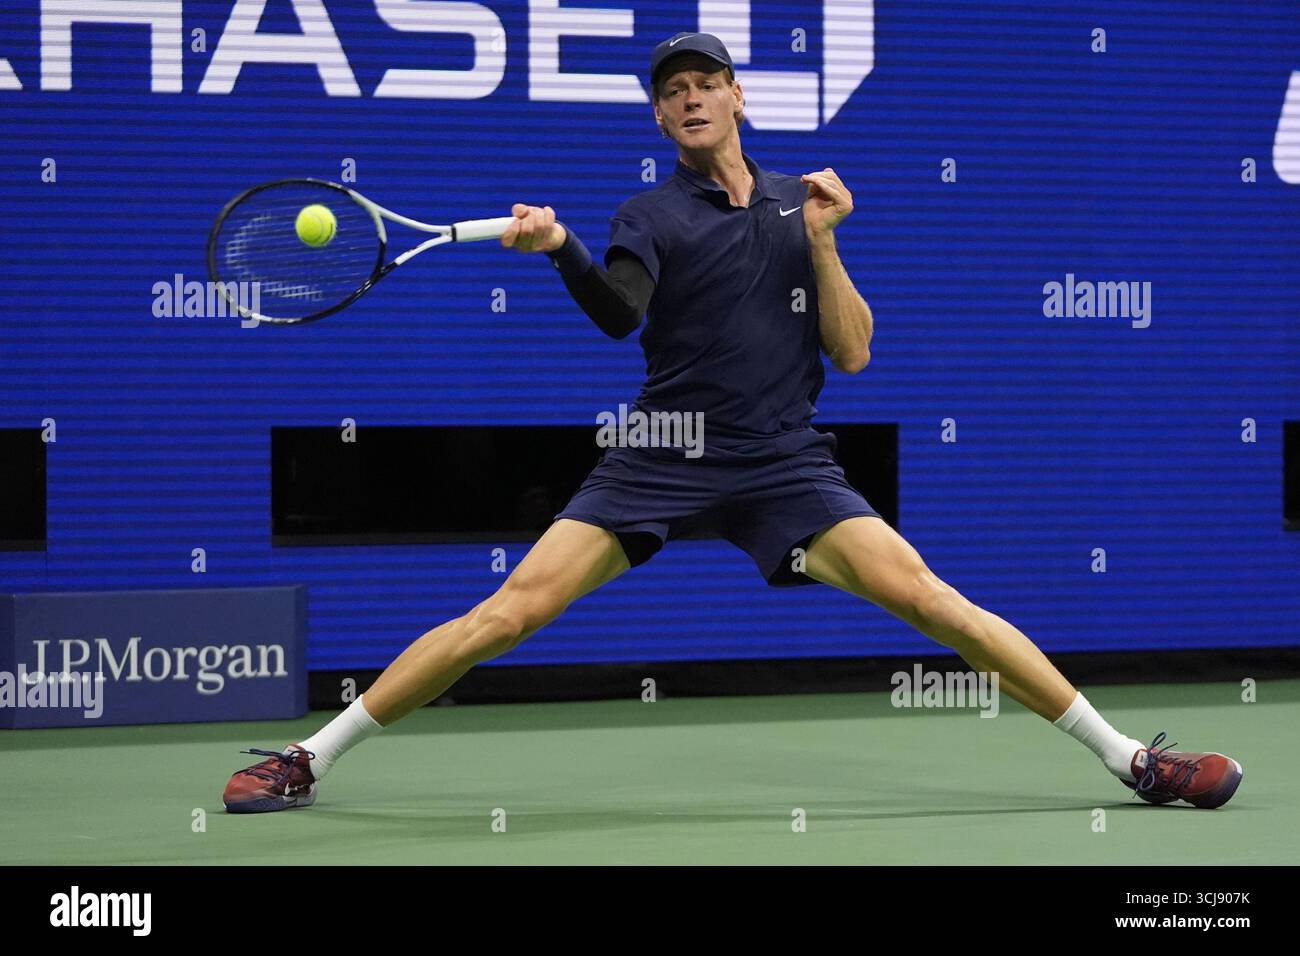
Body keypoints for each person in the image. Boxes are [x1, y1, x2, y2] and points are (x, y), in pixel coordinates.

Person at [223, 32, 1242, 814]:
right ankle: (307, 757)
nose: (690, 97)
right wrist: (565, 246)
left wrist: (824, 244)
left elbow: (851, 353)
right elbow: (622, 313)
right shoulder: (648, 216)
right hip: (662, 454)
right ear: (663, 122)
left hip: (785, 462)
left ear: (736, 96)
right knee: (508, 615)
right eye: (672, 92)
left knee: (933, 600)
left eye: (704, 82)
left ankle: (1133, 761)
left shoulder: (806, 200)